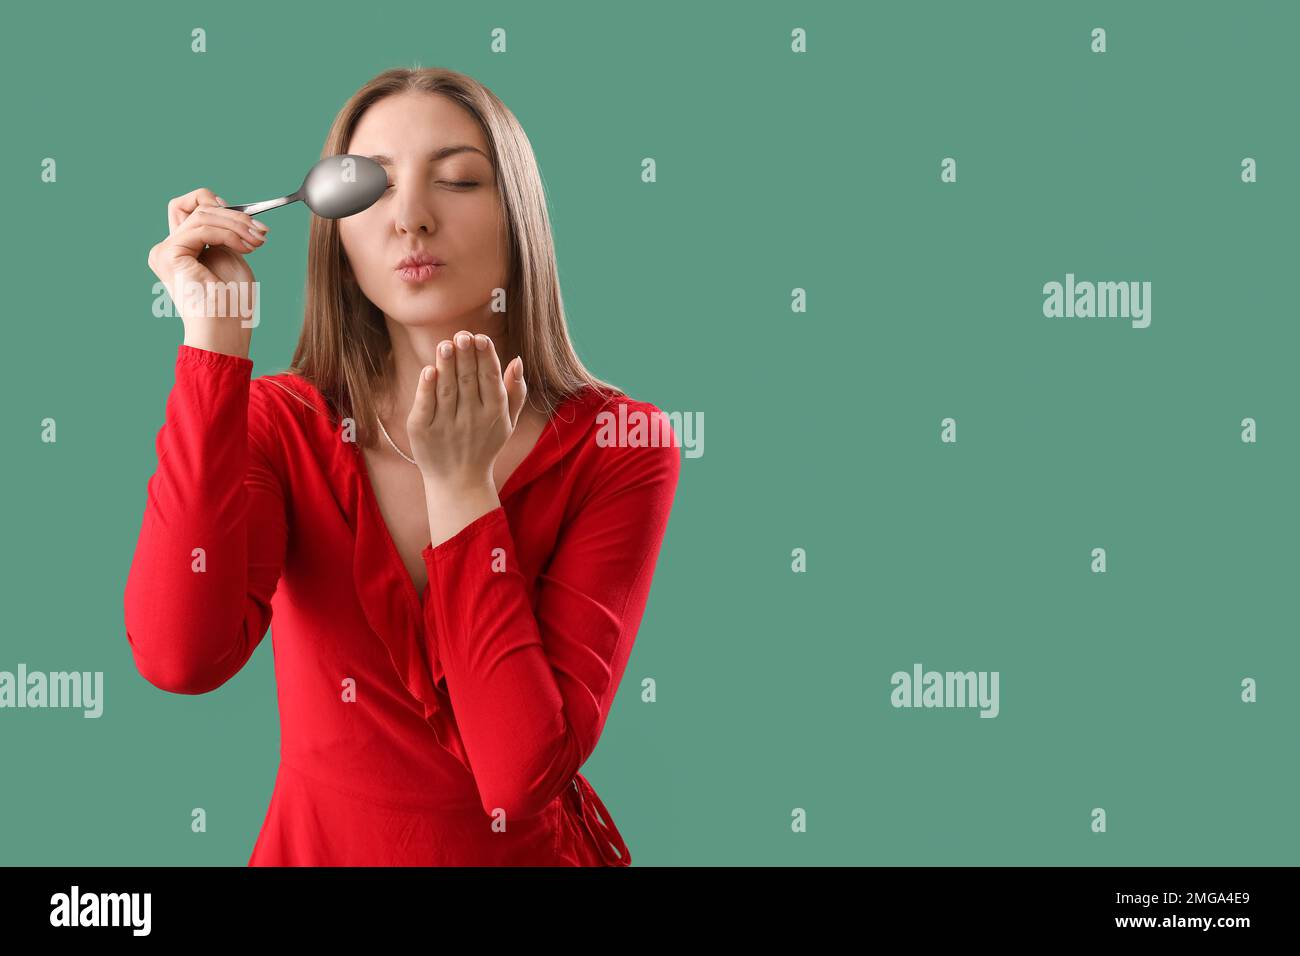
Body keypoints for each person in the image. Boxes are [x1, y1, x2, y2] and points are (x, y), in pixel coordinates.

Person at [125, 66, 680, 866]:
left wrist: (462, 489)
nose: (412, 218)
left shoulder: (621, 445)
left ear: (518, 218)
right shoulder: (281, 426)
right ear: (335, 231)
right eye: (371, 190)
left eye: (456, 180)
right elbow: (180, 658)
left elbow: (519, 775)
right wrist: (214, 340)